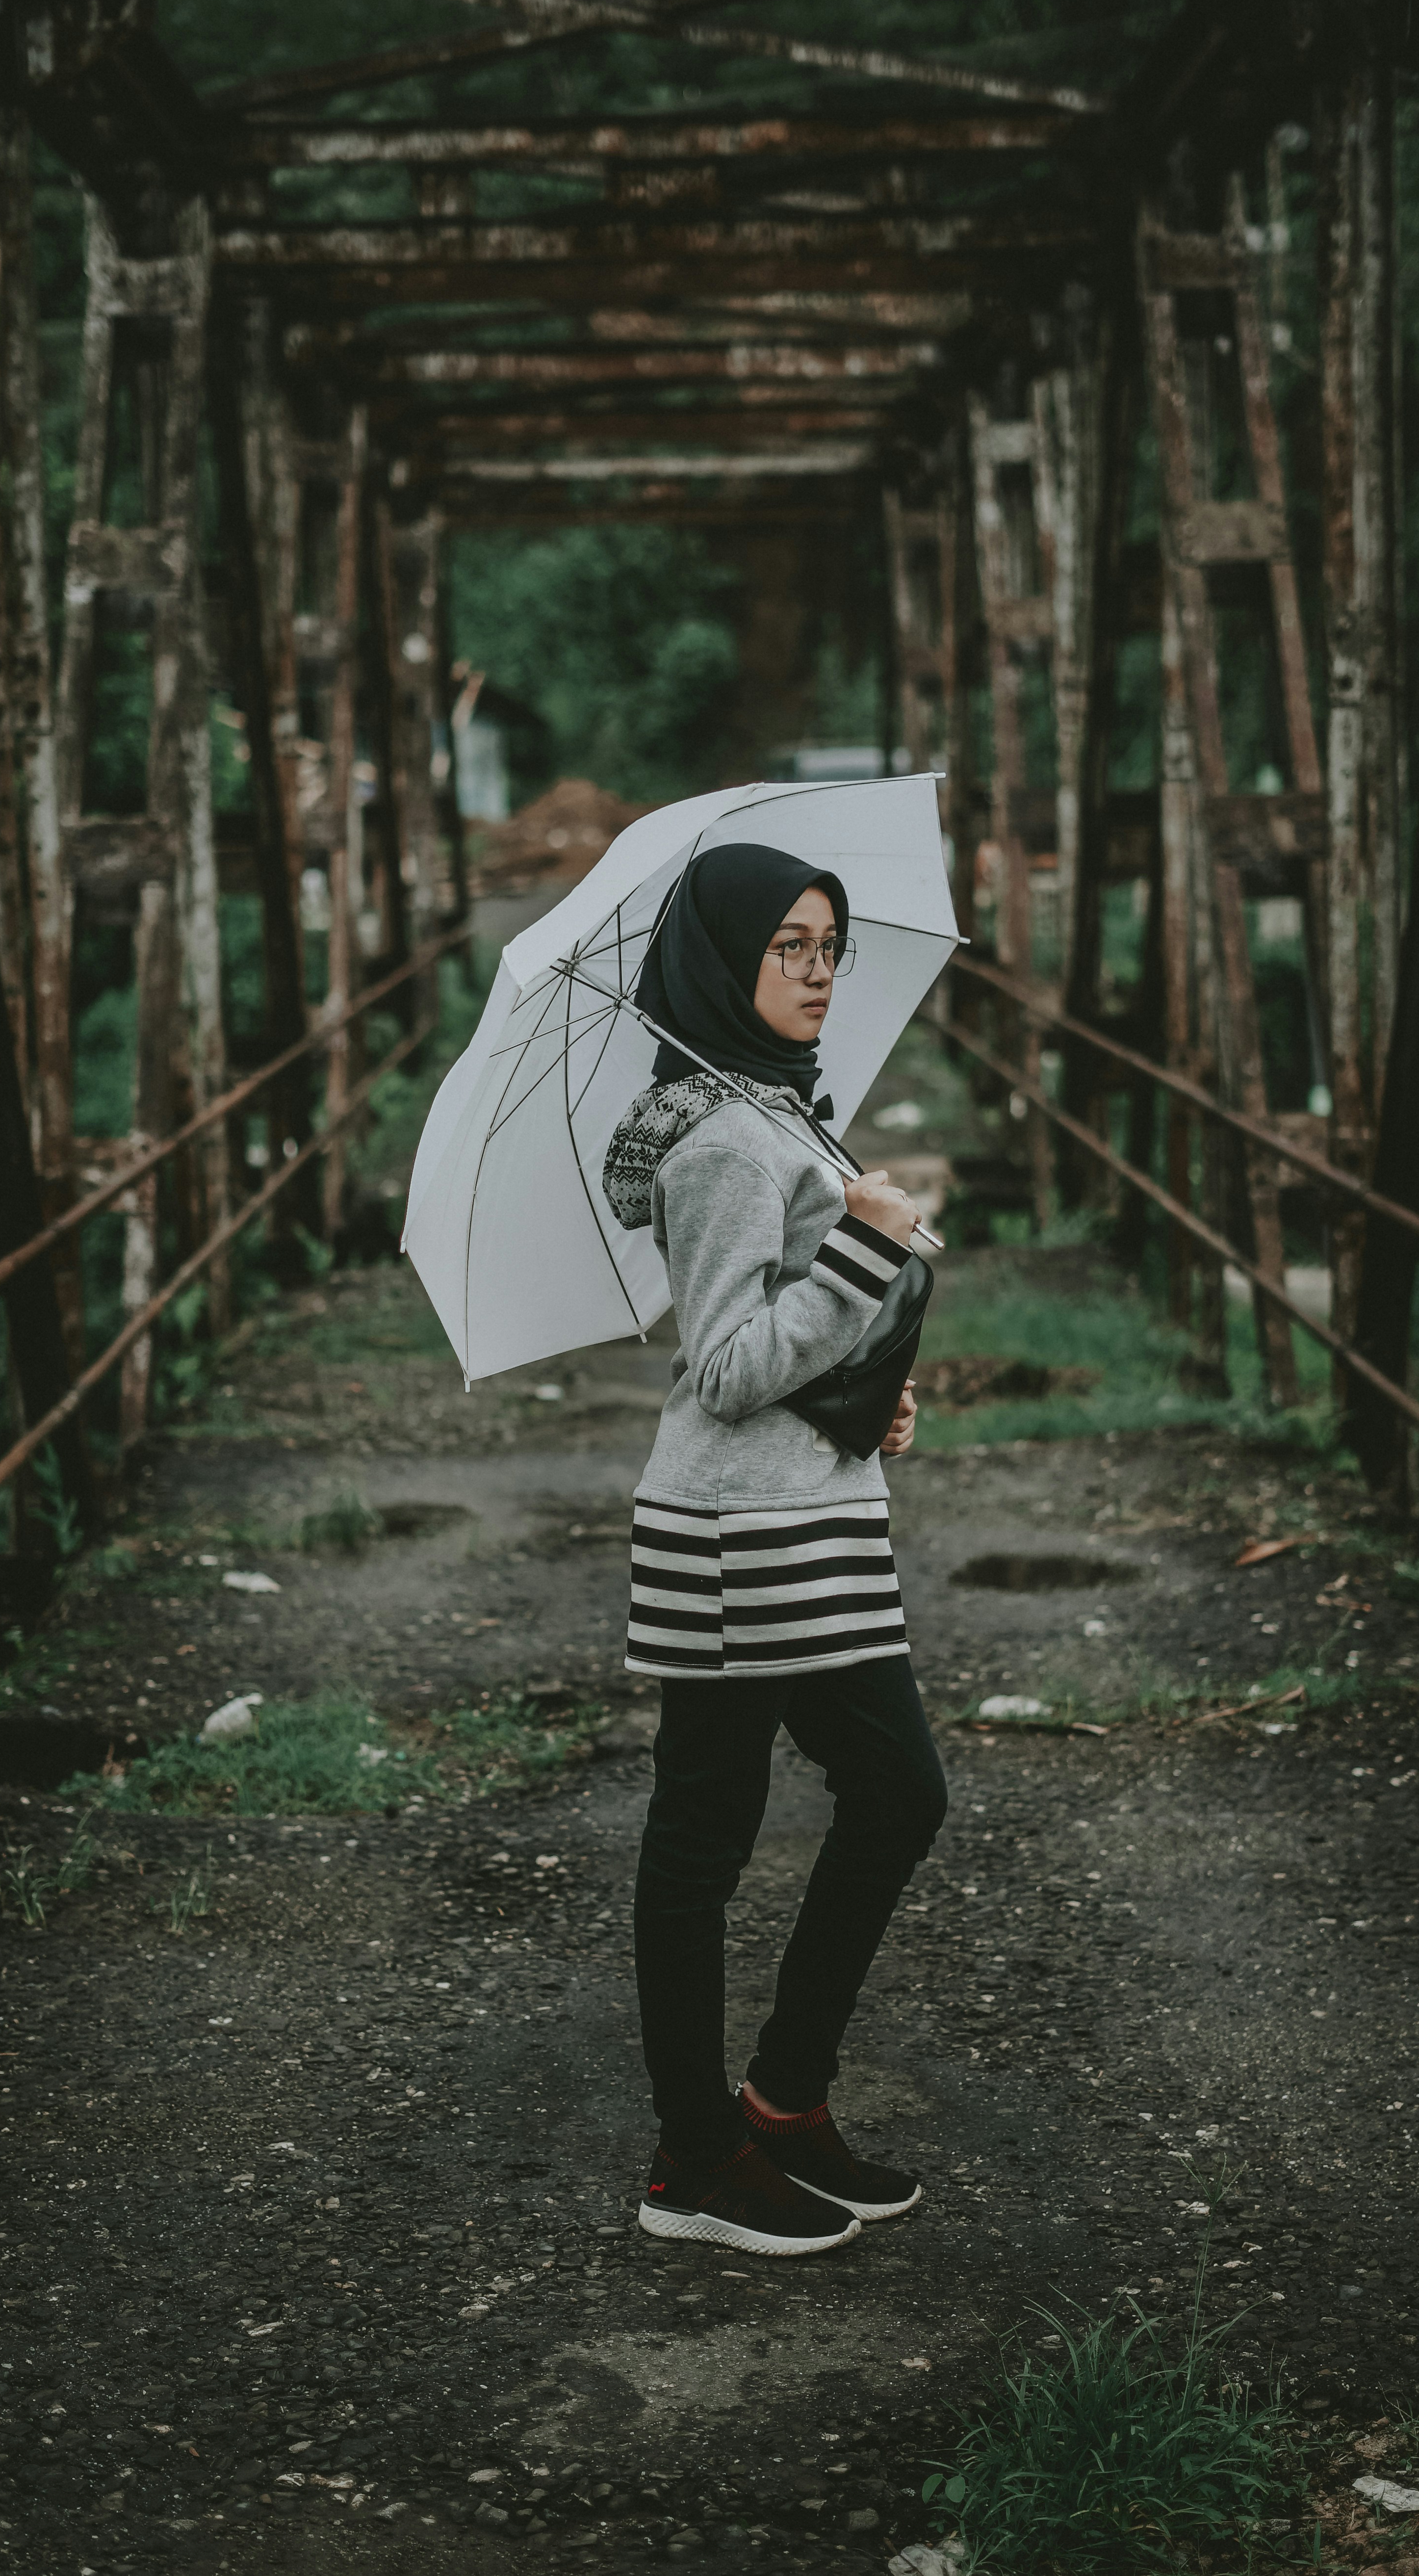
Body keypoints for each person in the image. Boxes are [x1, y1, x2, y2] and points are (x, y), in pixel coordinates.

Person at [601, 839, 947, 2258]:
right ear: (721, 961)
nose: (815, 974)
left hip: (792, 1512)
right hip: (747, 1538)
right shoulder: (730, 1138)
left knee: (870, 1798)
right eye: (788, 948)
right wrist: (865, 1251)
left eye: (828, 947)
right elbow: (729, 1361)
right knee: (723, 1835)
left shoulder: (777, 1108)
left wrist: (866, 1394)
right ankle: (698, 2156)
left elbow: (788, 1353)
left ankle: (778, 2110)